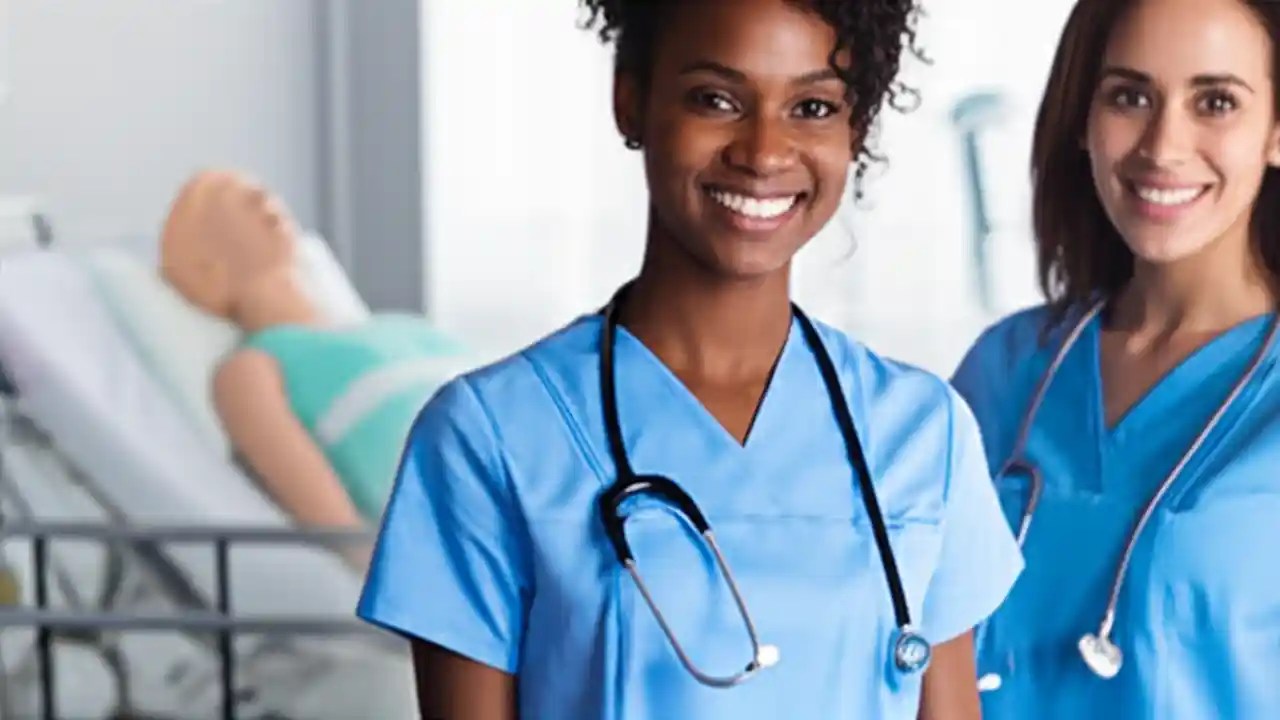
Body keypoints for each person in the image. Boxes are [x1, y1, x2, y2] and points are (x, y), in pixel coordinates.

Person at [356, 1, 1023, 718]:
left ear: (854, 129)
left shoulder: (925, 432)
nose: (765, 152)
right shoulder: (488, 436)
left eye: (812, 106)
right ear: (631, 100)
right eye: (717, 100)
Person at [951, 0, 1280, 717]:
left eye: (1216, 102)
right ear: (1082, 118)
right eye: (1129, 96)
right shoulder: (1003, 372)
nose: (1163, 146)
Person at [159, 169, 468, 541]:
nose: (261, 198)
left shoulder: (405, 327)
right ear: (206, 266)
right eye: (230, 204)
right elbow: (341, 532)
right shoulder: (252, 368)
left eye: (259, 190)